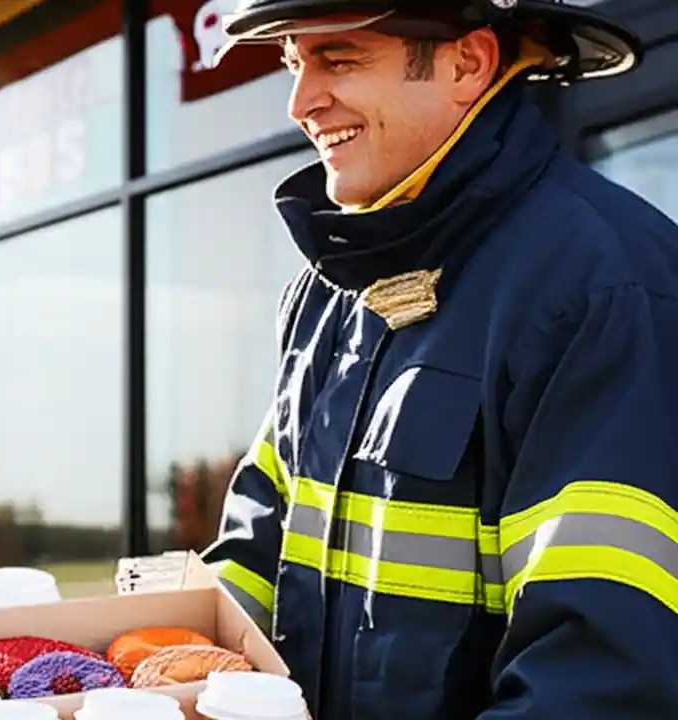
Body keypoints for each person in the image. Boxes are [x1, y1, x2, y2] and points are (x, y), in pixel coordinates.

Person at [202, 1, 678, 718]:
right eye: (294, 64)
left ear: (468, 62)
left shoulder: (603, 285)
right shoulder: (327, 291)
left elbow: (597, 686)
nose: (301, 103)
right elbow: (256, 555)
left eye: (339, 58)